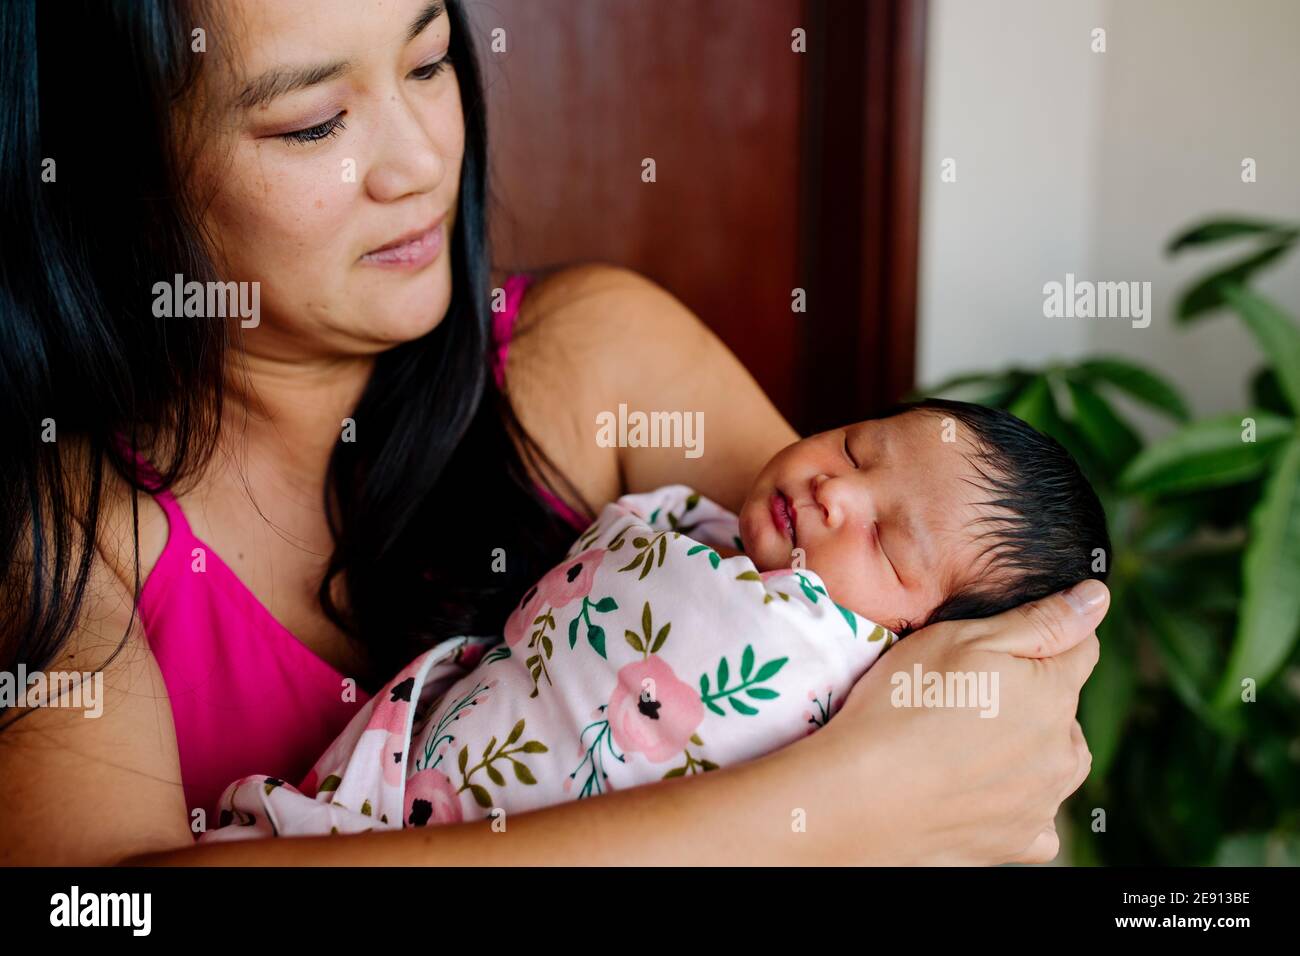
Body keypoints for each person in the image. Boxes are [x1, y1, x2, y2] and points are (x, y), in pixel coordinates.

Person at [0, 0, 1102, 866]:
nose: (423, 161)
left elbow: (985, 697)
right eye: (313, 122)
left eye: (428, 62)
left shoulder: (598, 356)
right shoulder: (62, 527)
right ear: (116, 169)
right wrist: (828, 811)